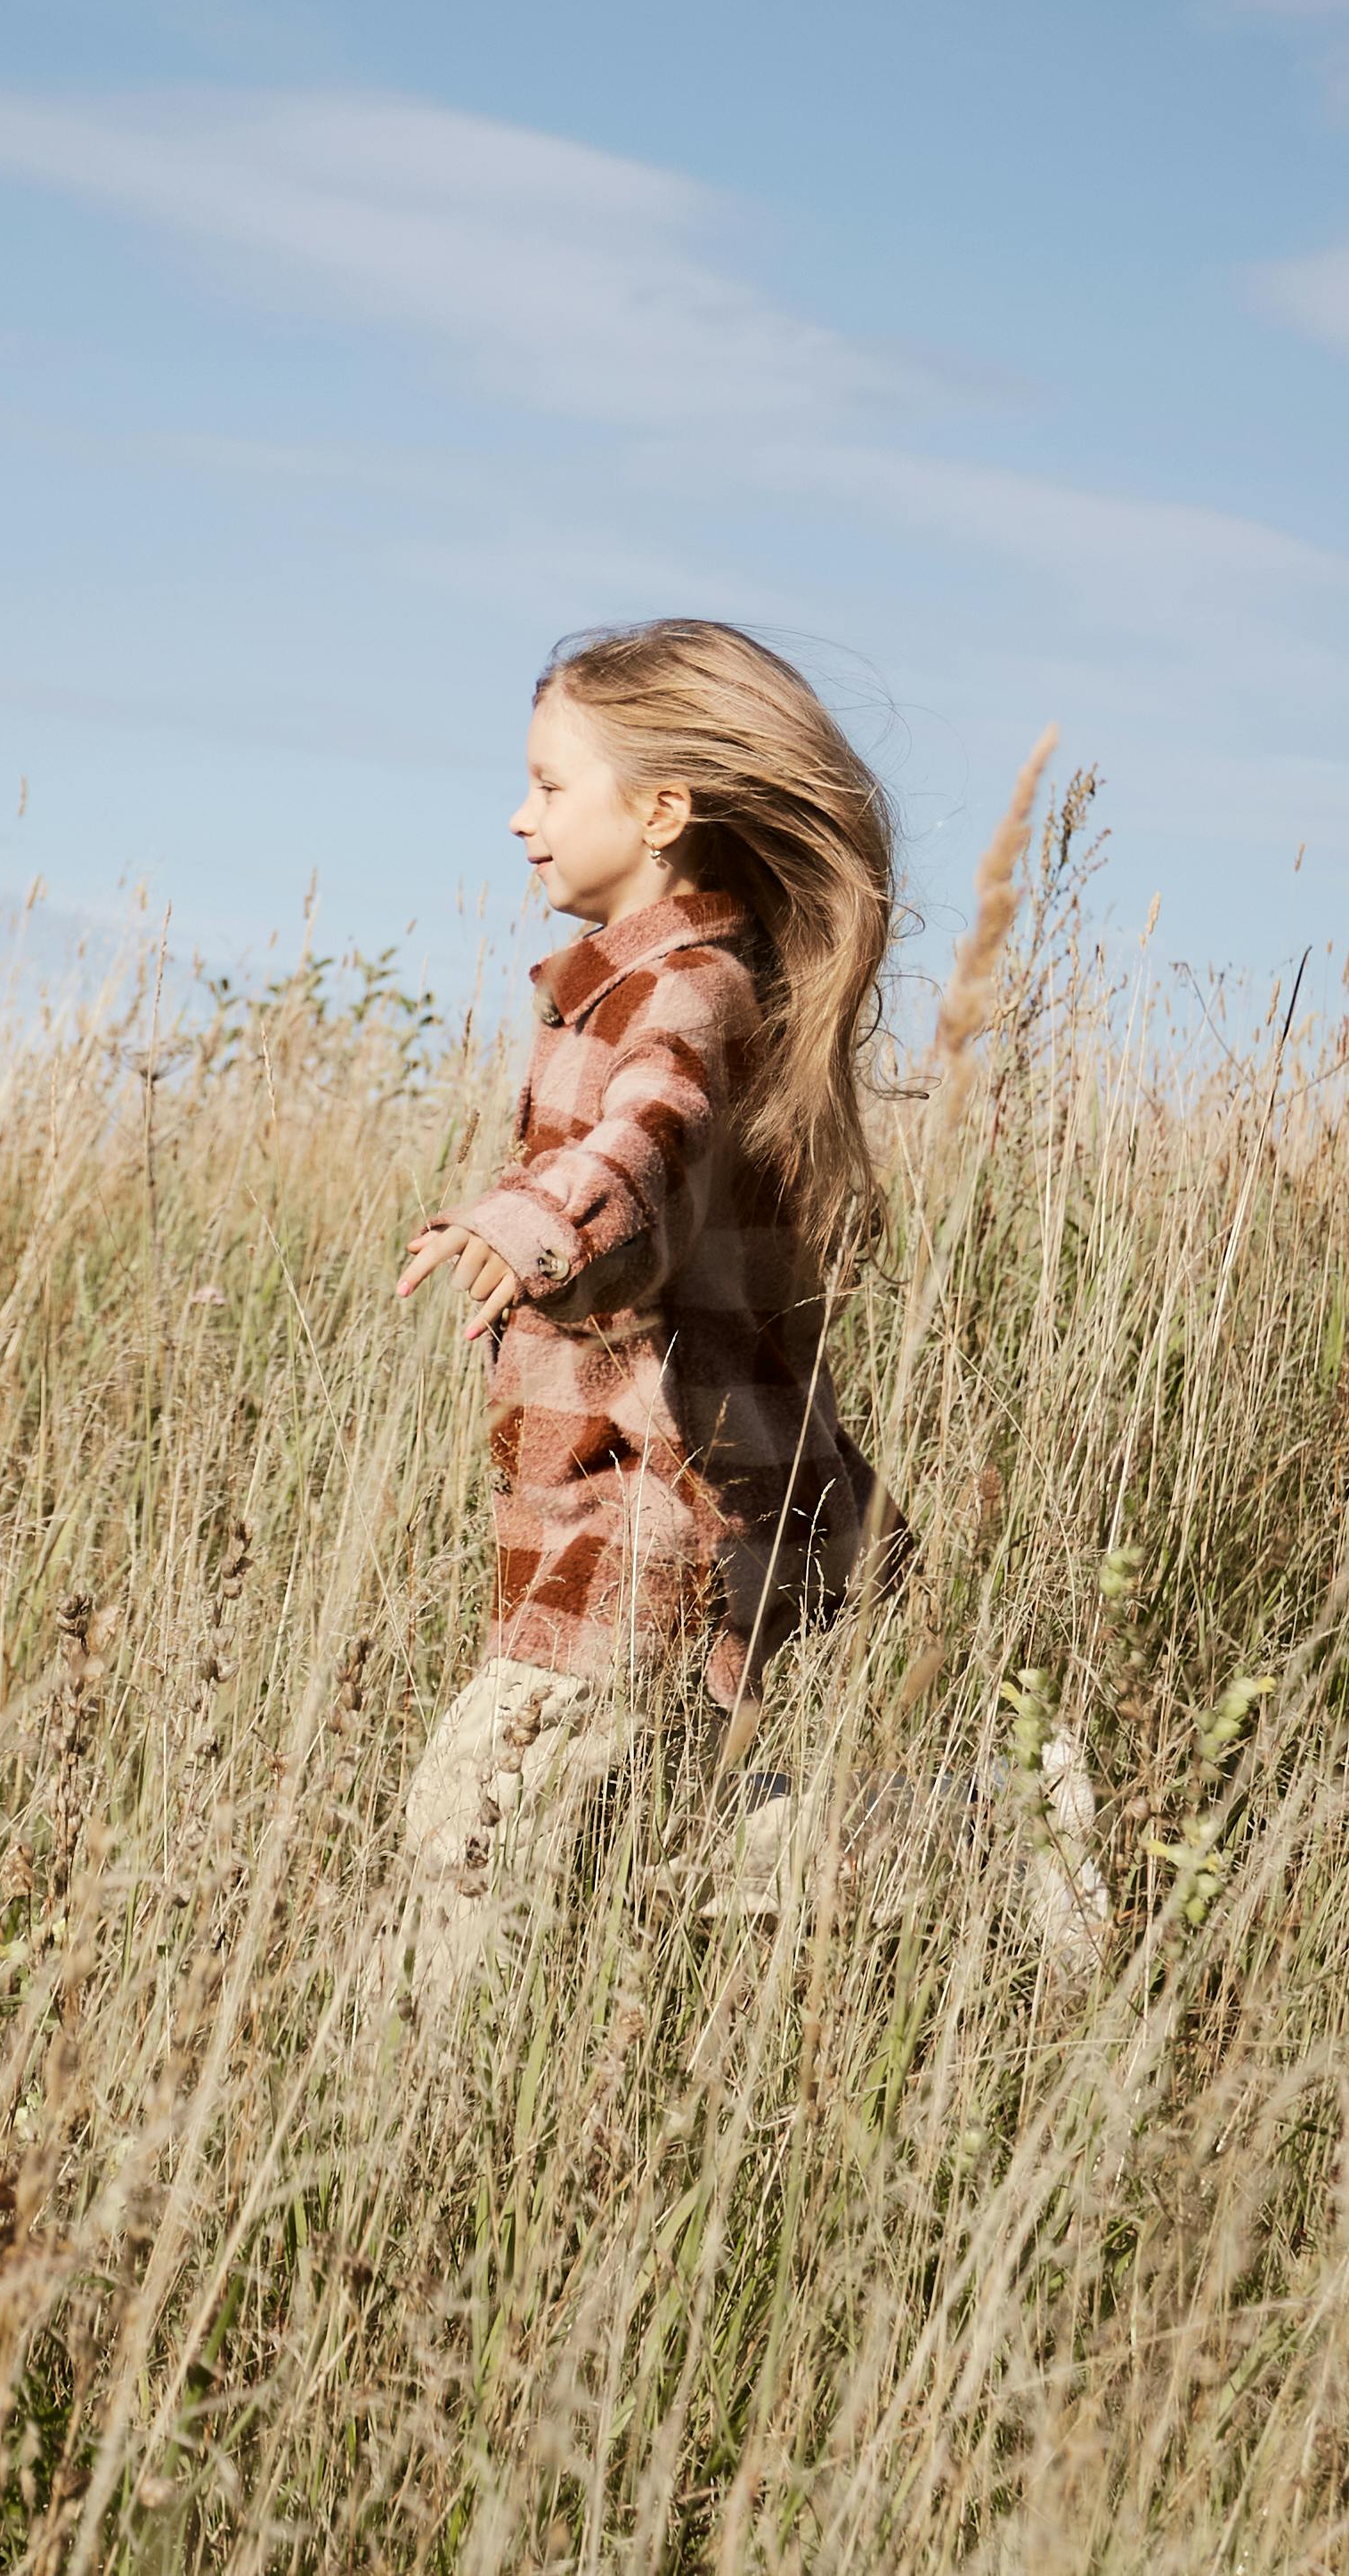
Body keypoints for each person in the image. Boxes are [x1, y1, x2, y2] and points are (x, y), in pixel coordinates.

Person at [387, 620, 902, 2013]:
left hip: (646, 1509)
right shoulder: (641, 982)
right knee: (643, 1847)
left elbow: (647, 1149)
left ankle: (420, 2103)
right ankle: (977, 1839)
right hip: (622, 1500)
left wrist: (540, 1227)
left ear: (663, 810)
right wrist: (503, 1215)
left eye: (551, 787)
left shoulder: (691, 985)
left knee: (474, 1825)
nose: (520, 817)